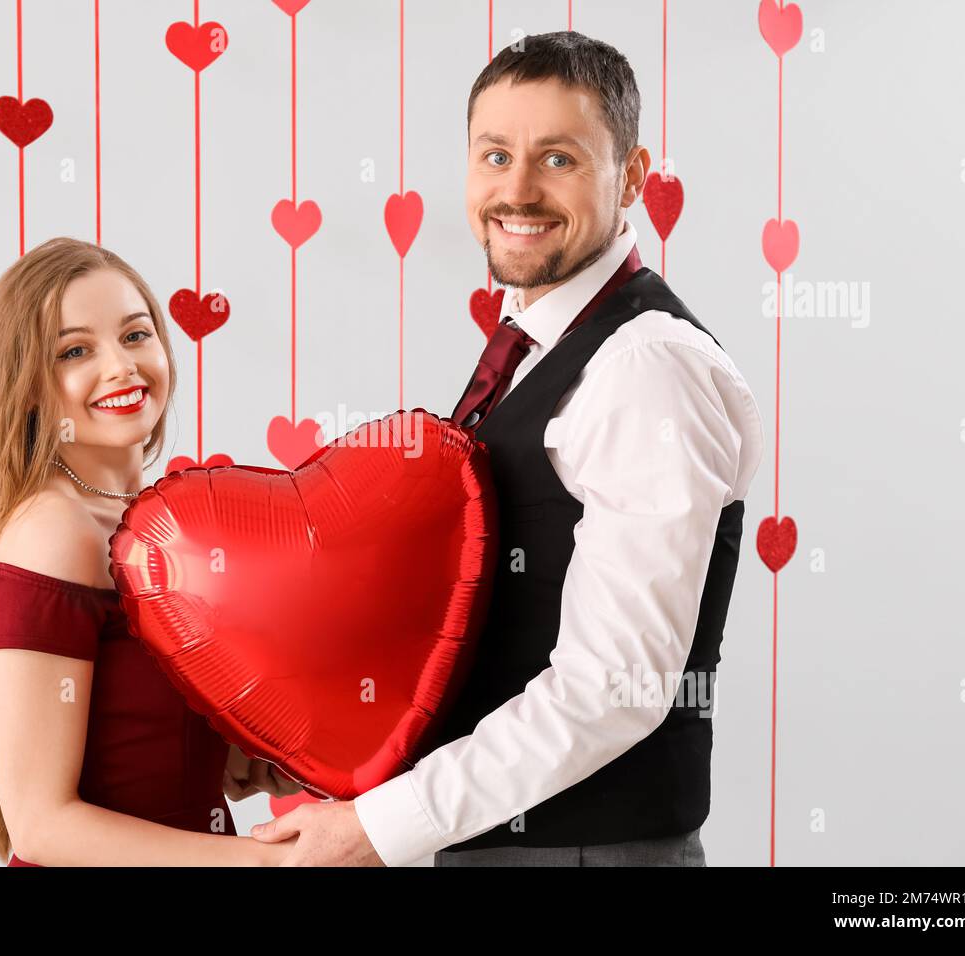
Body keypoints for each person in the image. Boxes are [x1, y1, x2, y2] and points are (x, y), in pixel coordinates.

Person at [251, 31, 764, 866]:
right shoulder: (533, 347)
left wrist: (375, 831)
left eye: (558, 159)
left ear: (631, 178)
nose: (516, 190)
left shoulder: (647, 366)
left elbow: (611, 692)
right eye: (494, 156)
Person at [0, 237, 301, 866]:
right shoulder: (56, 531)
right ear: (26, 388)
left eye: (135, 336)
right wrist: (270, 862)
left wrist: (253, 758)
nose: (121, 367)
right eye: (75, 351)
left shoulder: (152, 526)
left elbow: (144, 762)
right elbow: (41, 826)